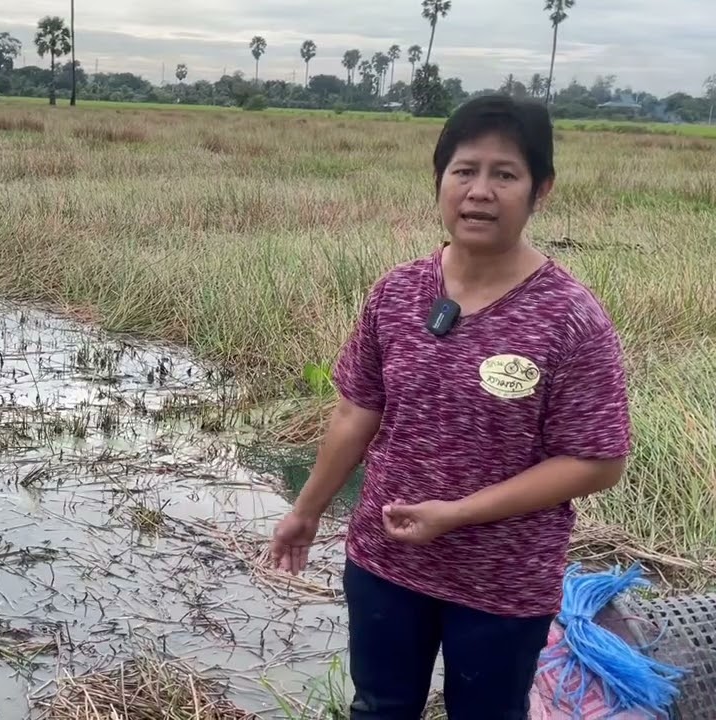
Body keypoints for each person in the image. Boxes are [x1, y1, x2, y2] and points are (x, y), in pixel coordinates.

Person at [268, 95, 632, 719]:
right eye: (464, 170)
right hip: (384, 558)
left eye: (505, 174)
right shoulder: (398, 291)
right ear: (440, 180)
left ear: (540, 190)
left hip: (503, 582)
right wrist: (306, 512)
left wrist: (459, 513)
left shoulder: (569, 316)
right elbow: (357, 411)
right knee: (379, 707)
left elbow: (596, 462)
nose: (480, 191)